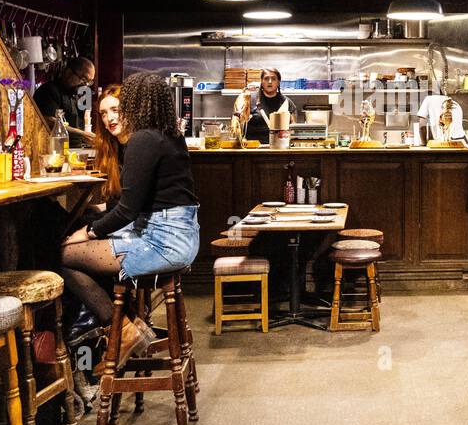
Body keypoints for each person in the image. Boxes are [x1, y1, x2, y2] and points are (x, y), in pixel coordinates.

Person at [59, 72, 200, 344]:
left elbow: (126, 211)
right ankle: (131, 324)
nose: (113, 116)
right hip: (182, 239)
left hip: (161, 244)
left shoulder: (142, 140)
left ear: (135, 103)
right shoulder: (169, 135)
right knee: (87, 248)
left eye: (123, 105)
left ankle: (123, 331)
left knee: (63, 254)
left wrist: (87, 233)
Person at [34, 56, 97, 147]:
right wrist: (81, 133)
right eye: (83, 79)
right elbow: (47, 120)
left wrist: (88, 132)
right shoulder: (49, 90)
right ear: (68, 72)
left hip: (78, 147)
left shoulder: (83, 92)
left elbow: (86, 115)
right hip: (55, 148)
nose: (85, 85)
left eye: (89, 82)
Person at [235, 68, 294, 142]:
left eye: (273, 79)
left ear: (278, 82)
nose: (270, 82)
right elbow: (238, 123)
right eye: (266, 78)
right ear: (262, 82)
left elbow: (293, 129)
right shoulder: (249, 100)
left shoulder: (287, 102)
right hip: (253, 148)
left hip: (279, 147)